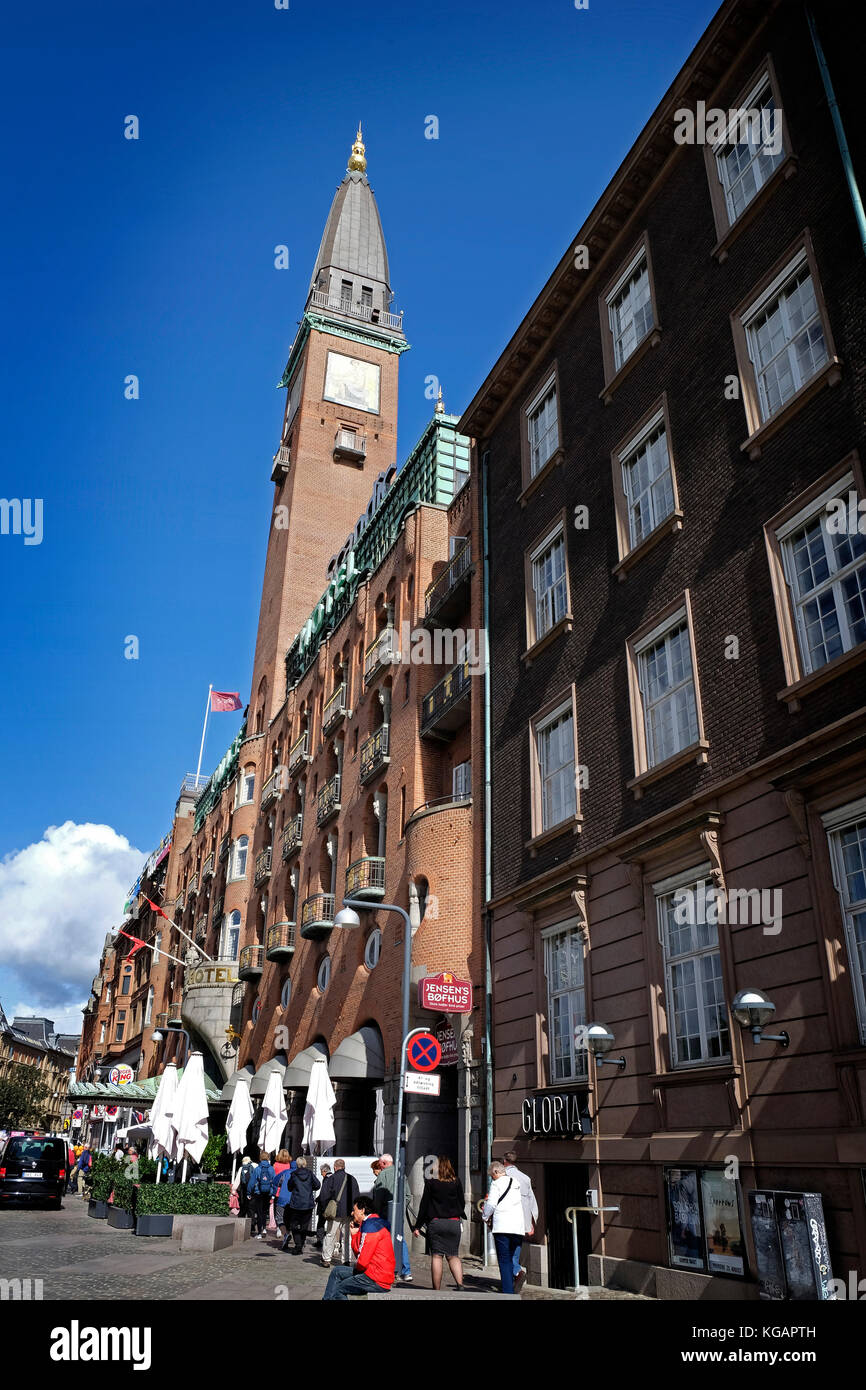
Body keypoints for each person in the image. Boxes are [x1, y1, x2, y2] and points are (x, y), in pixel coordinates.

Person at [321, 1194, 396, 1300]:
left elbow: (362, 1262)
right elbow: (359, 1253)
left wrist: (357, 1272)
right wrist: (354, 1235)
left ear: (362, 1210)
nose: (352, 1213)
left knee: (339, 1288)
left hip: (376, 1278)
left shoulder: (371, 1228)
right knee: (336, 1272)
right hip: (373, 1272)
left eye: (354, 1210)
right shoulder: (370, 1223)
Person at [414, 1155, 466, 1291]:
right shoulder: (456, 1181)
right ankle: (460, 1284)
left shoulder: (431, 1182)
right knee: (453, 1255)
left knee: (437, 1256)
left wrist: (417, 1226)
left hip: (436, 1223)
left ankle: (436, 1289)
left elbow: (424, 1205)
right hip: (454, 1222)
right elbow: (462, 1202)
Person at [482, 1160, 526, 1294]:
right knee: (513, 1256)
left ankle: (508, 1292)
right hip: (517, 1226)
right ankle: (515, 1278)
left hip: (502, 1227)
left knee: (504, 1260)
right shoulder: (516, 1182)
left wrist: (485, 1216)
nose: (491, 1178)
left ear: (496, 1172)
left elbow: (491, 1205)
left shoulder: (496, 1184)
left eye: (491, 1175)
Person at [503, 1150, 539, 1294]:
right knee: (516, 1245)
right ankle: (515, 1272)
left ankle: (516, 1272)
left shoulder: (503, 1176)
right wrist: (531, 1223)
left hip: (506, 1219)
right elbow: (532, 1202)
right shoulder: (525, 1178)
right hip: (521, 1221)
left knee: (504, 1250)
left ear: (504, 1162)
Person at [373, 1152, 412, 1282]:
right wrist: (400, 1209)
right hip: (398, 1215)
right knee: (400, 1240)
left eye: (380, 1165)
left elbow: (378, 1198)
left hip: (385, 1215)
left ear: (384, 1163)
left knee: (385, 1242)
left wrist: (377, 1214)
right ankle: (406, 1271)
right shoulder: (402, 1174)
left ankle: (388, 1270)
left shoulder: (383, 1175)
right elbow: (408, 1196)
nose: (380, 1167)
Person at [319, 1159, 359, 1267]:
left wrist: (324, 1208)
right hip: (348, 1212)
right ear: (344, 1167)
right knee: (347, 1237)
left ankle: (326, 1259)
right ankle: (346, 1260)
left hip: (335, 1212)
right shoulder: (352, 1179)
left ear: (335, 1167)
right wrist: (353, 1211)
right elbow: (357, 1196)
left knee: (330, 1234)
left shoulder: (331, 1179)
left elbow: (324, 1196)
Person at [280, 1155, 320, 1254]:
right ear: (305, 1164)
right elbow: (317, 1185)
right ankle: (300, 1244)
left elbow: (289, 1187)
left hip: (296, 1204)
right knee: (304, 1226)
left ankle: (298, 1245)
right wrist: (310, 1189)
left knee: (294, 1225)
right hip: (307, 1204)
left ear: (297, 1164)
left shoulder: (294, 1174)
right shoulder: (310, 1174)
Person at [248, 1150, 277, 1238]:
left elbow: (252, 1182)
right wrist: (273, 1193)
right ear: (268, 1158)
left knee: (259, 1212)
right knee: (265, 1211)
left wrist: (249, 1192)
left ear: (260, 1158)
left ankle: (259, 1232)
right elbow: (274, 1182)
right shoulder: (271, 1168)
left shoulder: (257, 1169)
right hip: (268, 1193)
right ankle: (264, 1228)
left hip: (258, 1192)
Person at [273, 1149, 296, 1245]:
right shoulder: (289, 1166)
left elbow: (274, 1180)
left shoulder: (275, 1165)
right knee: (289, 1215)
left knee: (279, 1215)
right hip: (292, 1195)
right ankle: (289, 1232)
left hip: (280, 1193)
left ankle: (281, 1230)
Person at [313, 1163, 332, 1249]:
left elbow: (324, 1193)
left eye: (321, 1171)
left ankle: (319, 1241)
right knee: (331, 1223)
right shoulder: (332, 1178)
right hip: (330, 1204)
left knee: (321, 1223)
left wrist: (319, 1200)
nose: (321, 1173)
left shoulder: (327, 1179)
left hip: (324, 1205)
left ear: (325, 1171)